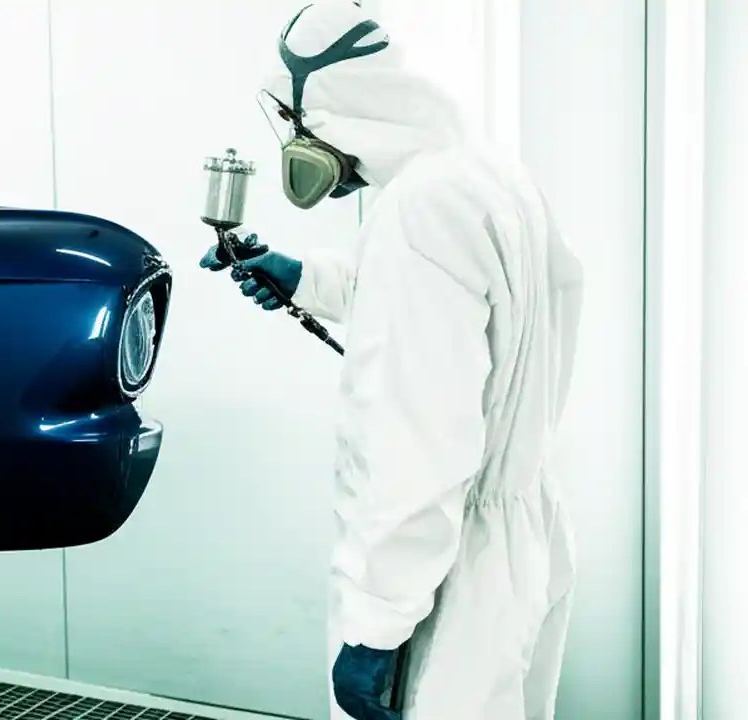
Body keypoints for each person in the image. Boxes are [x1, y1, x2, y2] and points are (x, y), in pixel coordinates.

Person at [200, 2, 584, 718]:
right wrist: (303, 275)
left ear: (340, 116)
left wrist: (375, 628)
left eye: (300, 125)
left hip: (451, 582)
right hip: (518, 541)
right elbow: (452, 308)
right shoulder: (478, 177)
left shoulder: (418, 211)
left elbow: (421, 442)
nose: (298, 146)